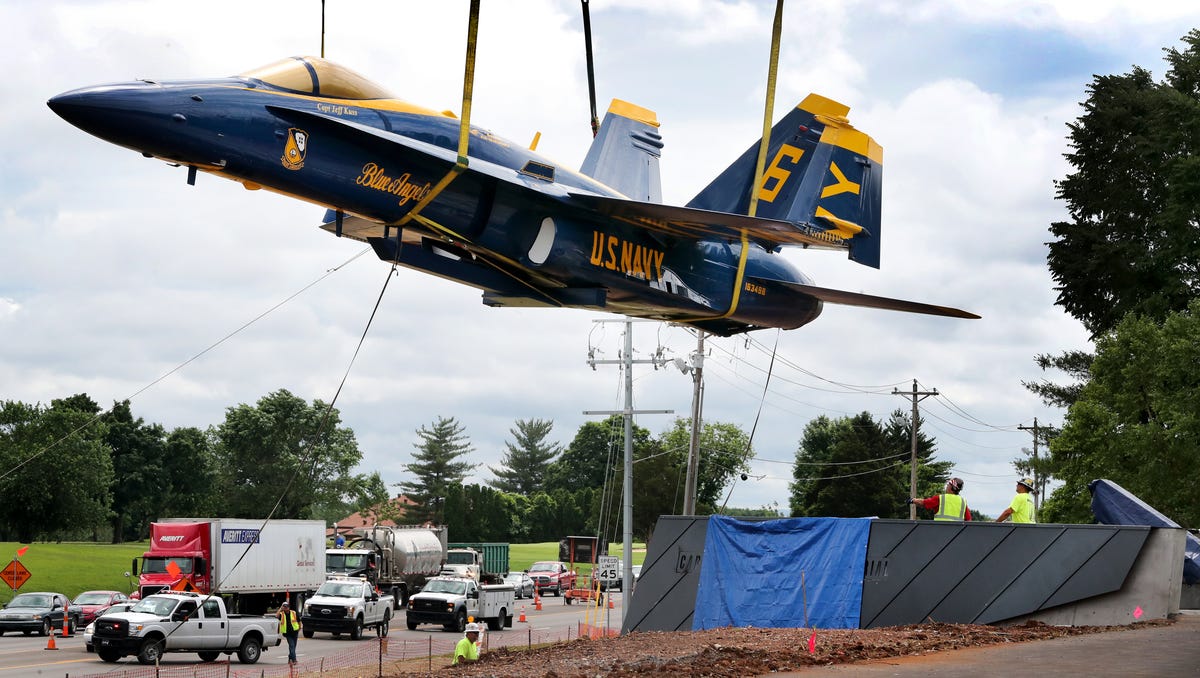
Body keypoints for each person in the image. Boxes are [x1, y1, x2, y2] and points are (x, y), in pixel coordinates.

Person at [276, 600, 300, 664]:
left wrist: (299, 628)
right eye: (284, 607)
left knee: (293, 647)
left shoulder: (293, 613)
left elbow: (299, 621)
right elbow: (277, 616)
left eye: (287, 606)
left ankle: (290, 659)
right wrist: (280, 609)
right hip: (288, 634)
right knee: (292, 646)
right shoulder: (282, 614)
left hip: (295, 632)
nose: (286, 608)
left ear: (289, 607)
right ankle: (294, 660)